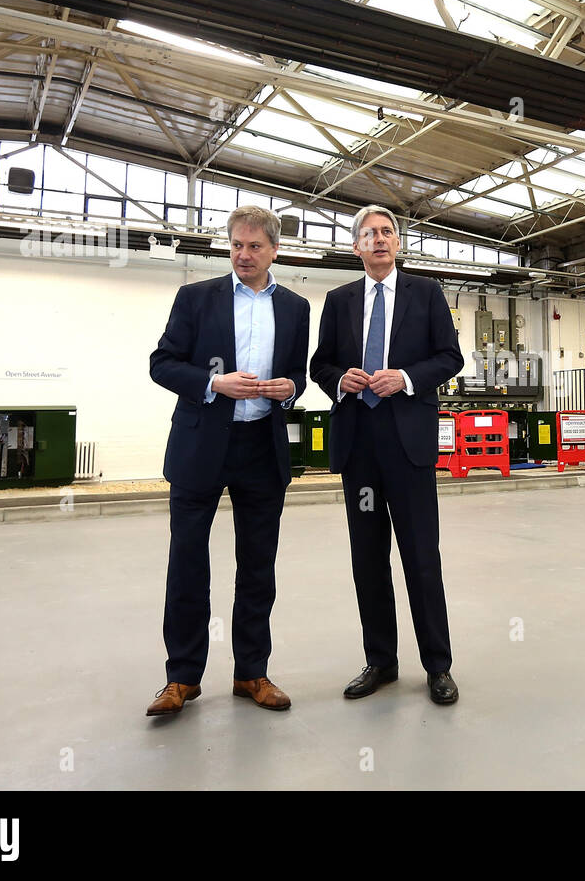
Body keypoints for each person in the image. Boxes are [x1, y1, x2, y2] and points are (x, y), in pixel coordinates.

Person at [146, 206, 310, 716]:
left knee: (257, 566)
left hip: (261, 447)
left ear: (274, 250)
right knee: (188, 562)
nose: (243, 254)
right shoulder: (196, 298)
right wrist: (215, 383)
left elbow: (296, 376)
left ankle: (251, 673)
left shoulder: (297, 307)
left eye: (254, 246)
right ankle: (181, 678)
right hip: (201, 446)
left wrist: (290, 389)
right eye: (236, 245)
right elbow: (162, 364)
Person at [309, 205, 465, 704]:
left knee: (421, 556)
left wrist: (407, 378)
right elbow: (320, 363)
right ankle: (381, 661)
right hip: (360, 445)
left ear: (398, 243)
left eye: (387, 232)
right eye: (368, 234)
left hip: (408, 445)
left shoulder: (427, 293)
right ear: (356, 246)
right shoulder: (338, 300)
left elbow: (450, 356)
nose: (378, 239)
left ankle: (437, 665)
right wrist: (339, 379)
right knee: (368, 558)